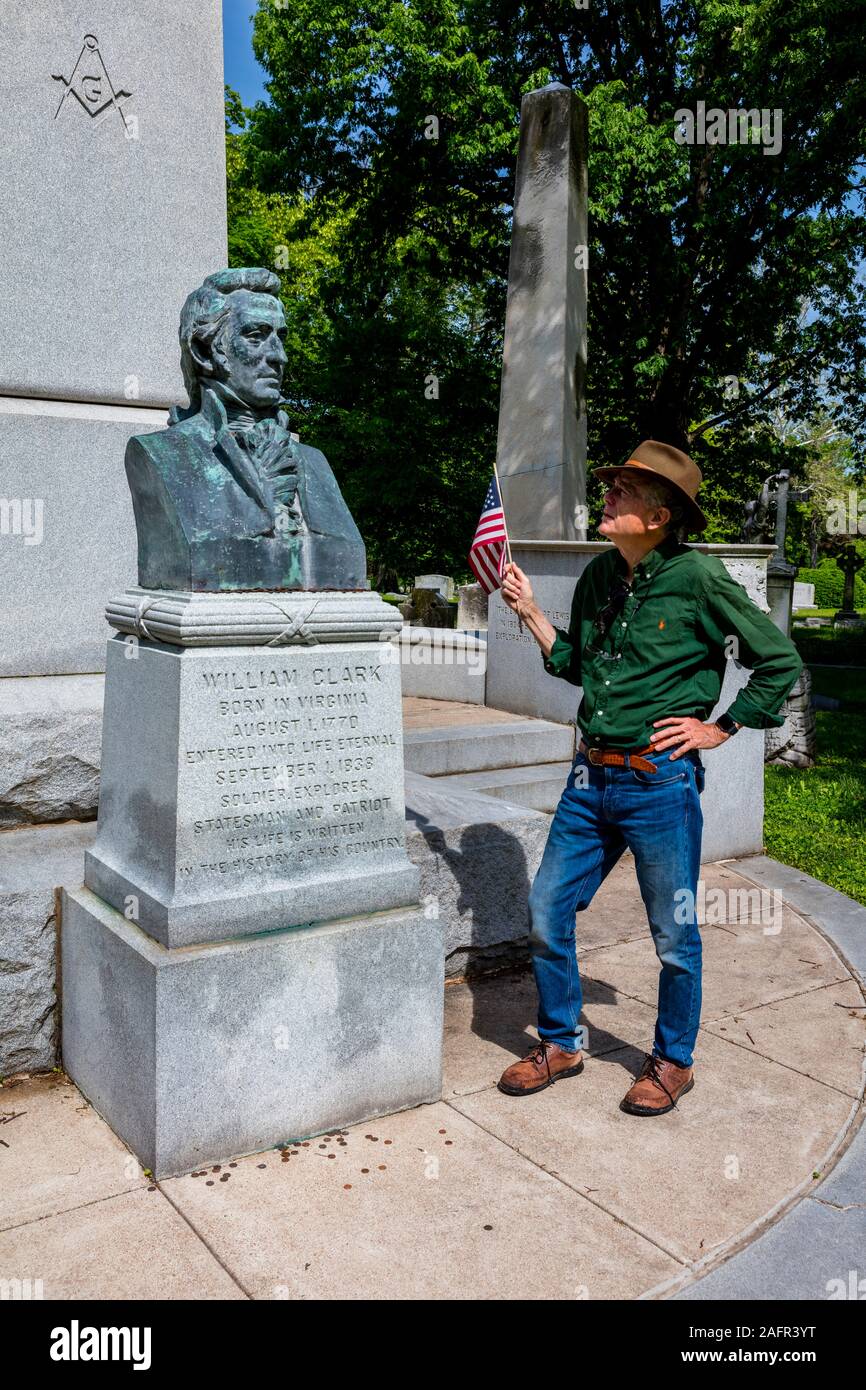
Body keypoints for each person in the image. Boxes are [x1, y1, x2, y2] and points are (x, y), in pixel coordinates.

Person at [497, 441, 803, 1115]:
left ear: (659, 515)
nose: (605, 499)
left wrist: (720, 727)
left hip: (658, 784)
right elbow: (579, 664)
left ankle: (673, 1060)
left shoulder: (699, 581)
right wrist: (530, 614)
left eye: (622, 493)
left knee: (673, 933)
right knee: (548, 910)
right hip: (590, 781)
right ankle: (561, 1041)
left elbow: (778, 659)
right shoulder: (601, 578)